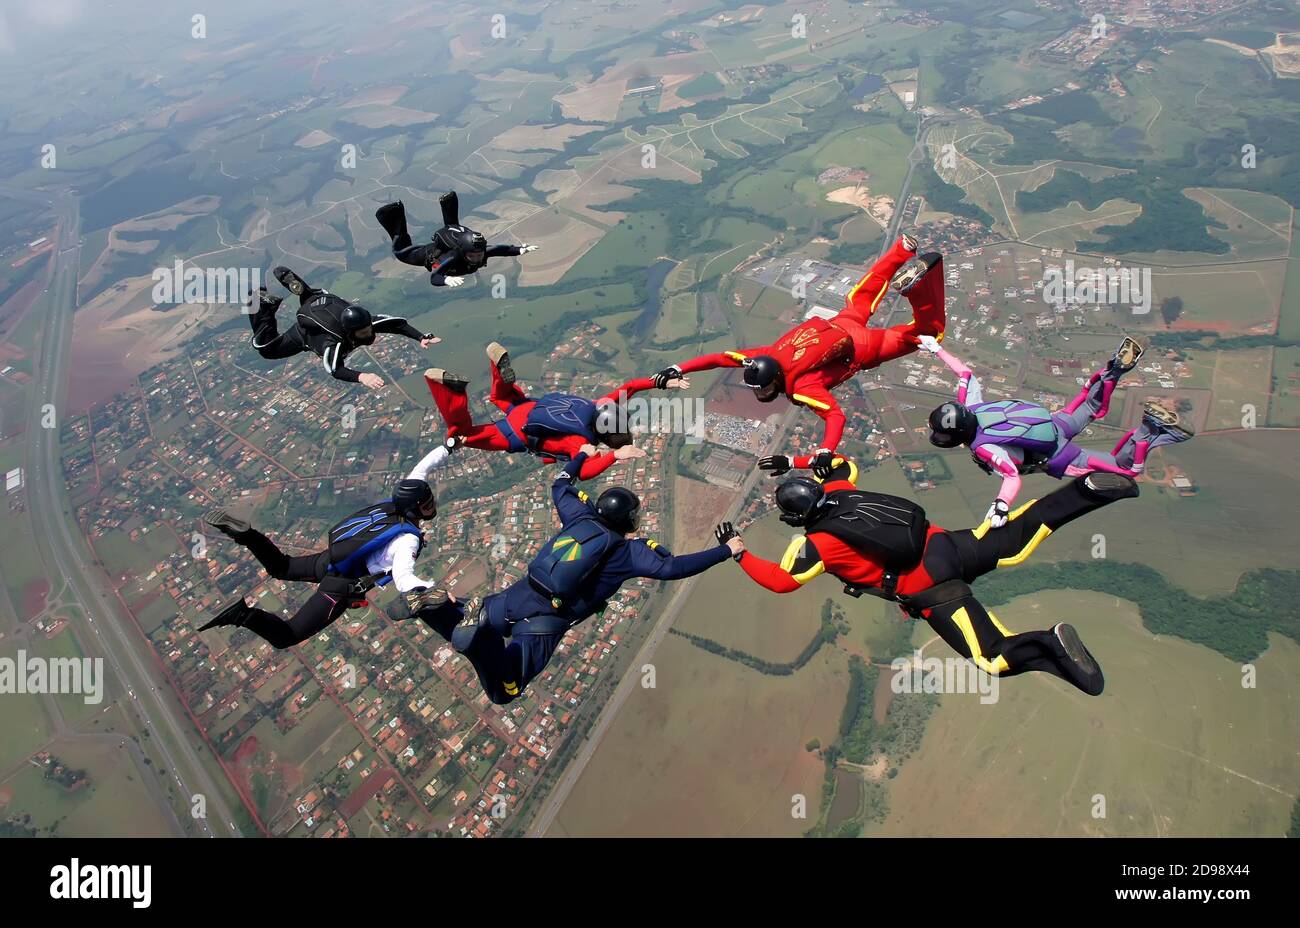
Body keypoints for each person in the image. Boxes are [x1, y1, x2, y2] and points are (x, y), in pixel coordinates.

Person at [729, 454, 1141, 695]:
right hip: (947, 545)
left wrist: (739, 552)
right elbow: (839, 462)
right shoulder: (839, 489)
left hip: (931, 588)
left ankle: (1049, 644)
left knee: (992, 657)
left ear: (792, 518)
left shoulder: (814, 545)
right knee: (1015, 537)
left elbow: (780, 582)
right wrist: (793, 462)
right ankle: (1087, 491)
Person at [419, 450, 741, 705]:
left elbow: (560, 485)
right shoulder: (628, 553)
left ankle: (438, 608)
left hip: (516, 596)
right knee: (505, 691)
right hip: (545, 621)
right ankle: (479, 639)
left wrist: (582, 455)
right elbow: (673, 569)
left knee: (467, 617)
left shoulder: (580, 514)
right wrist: (725, 550)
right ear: (627, 520)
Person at [652, 234, 945, 475]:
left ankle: (916, 291)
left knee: (928, 334)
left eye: (764, 388)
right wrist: (679, 367)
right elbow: (720, 358)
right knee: (861, 298)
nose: (762, 393)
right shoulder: (765, 355)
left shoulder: (801, 387)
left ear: (775, 378)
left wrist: (825, 450)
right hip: (839, 324)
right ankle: (901, 250)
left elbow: (835, 416)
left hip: (863, 348)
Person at [197, 440, 459, 648]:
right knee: (286, 636)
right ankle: (243, 616)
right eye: (426, 505)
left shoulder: (400, 500)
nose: (431, 506)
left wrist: (448, 447)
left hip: (330, 560)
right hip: (342, 587)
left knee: (281, 566)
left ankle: (246, 535)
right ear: (414, 507)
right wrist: (430, 590)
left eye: (430, 500)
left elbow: (423, 468)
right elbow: (403, 577)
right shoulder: (408, 539)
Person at [923, 335, 1193, 527]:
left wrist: (1001, 505)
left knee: (1126, 470)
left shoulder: (985, 447)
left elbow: (1012, 477)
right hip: (1054, 424)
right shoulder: (971, 407)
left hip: (1060, 456)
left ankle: (1147, 429)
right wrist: (937, 349)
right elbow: (965, 373)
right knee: (1090, 404)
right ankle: (1114, 370)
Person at [424, 341, 690, 480]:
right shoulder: (581, 441)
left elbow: (630, 387)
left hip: (528, 407)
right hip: (516, 432)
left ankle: (497, 368)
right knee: (463, 435)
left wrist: (661, 381)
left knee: (501, 395)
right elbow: (582, 472)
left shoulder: (599, 404)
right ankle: (451, 393)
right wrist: (616, 456)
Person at [248, 266, 440, 389]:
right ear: (349, 332)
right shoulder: (333, 342)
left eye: (368, 328)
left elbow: (397, 323)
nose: (370, 333)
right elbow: (334, 369)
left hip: (318, 303)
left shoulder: (366, 322)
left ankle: (299, 289)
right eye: (364, 332)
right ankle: (259, 301)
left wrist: (421, 336)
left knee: (310, 298)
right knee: (267, 349)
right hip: (306, 331)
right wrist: (362, 376)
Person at [374, 192, 538, 288]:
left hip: (446, 248)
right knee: (400, 252)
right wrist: (446, 279)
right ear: (463, 252)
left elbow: (501, 250)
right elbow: (434, 278)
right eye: (472, 256)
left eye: (478, 255)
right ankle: (390, 213)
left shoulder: (480, 252)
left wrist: (520, 249)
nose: (477, 258)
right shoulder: (452, 258)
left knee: (452, 226)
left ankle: (448, 202)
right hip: (425, 255)